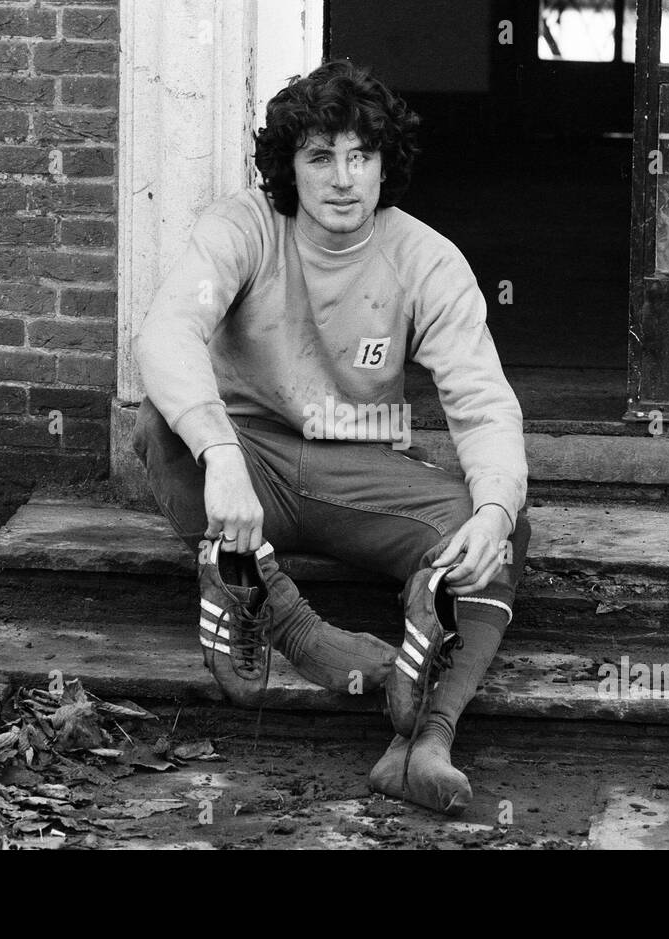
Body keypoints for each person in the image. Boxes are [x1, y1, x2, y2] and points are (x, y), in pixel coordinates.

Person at [133, 60, 530, 815]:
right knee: (161, 429)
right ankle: (292, 625)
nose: (343, 178)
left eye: (361, 156)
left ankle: (426, 739)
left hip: (359, 469)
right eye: (320, 156)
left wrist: (495, 509)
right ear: (290, 167)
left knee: (496, 527)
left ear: (385, 166)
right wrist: (219, 451)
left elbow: (482, 402)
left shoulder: (428, 260)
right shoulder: (243, 225)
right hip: (250, 466)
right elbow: (166, 335)